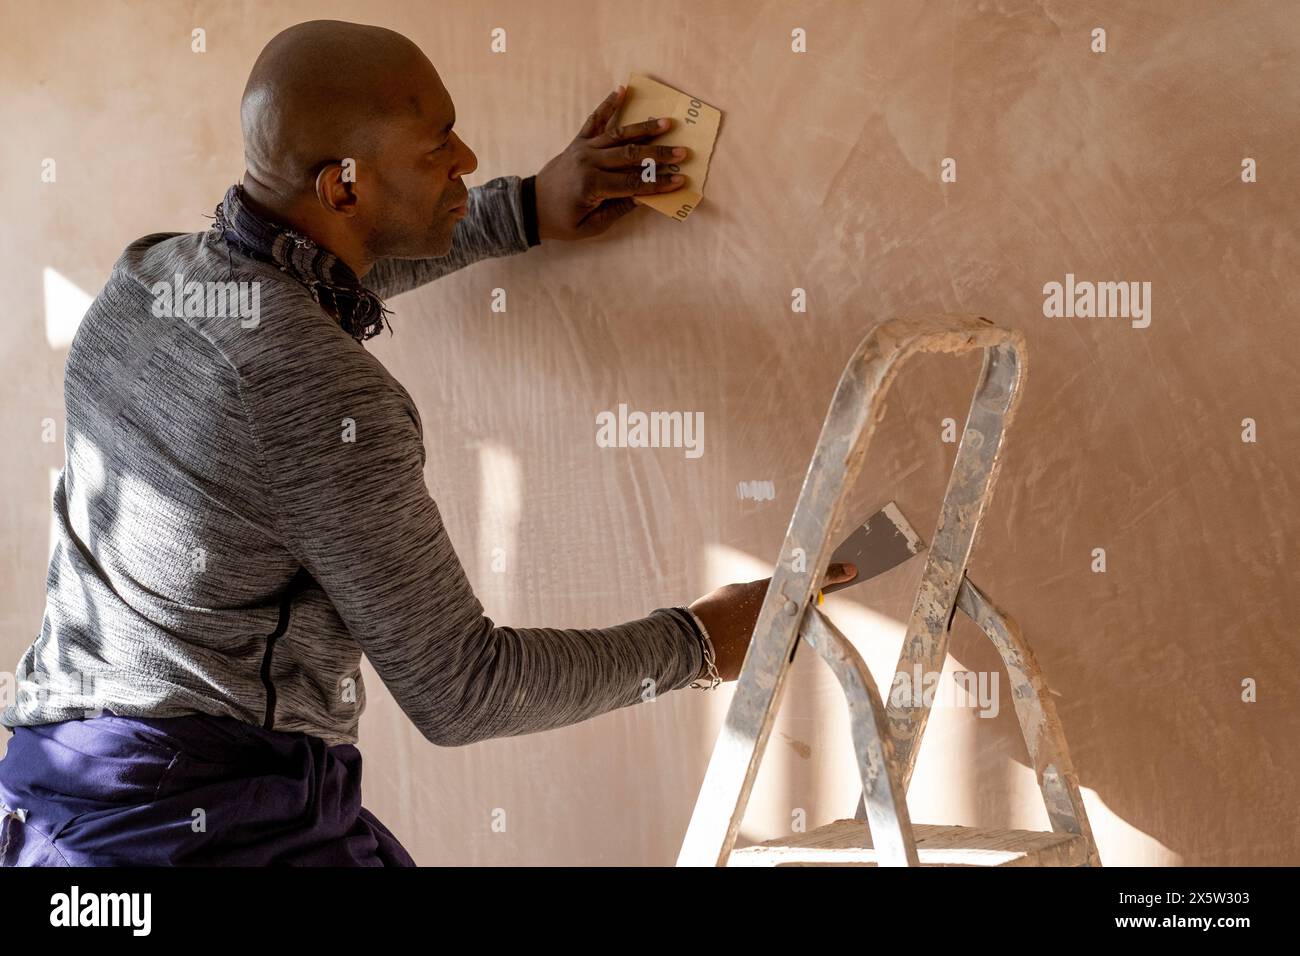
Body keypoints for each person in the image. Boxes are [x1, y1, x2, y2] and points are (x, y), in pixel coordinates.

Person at [0, 19, 855, 866]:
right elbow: (462, 690)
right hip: (211, 819)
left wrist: (523, 209)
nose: (468, 159)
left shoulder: (147, 278)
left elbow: (316, 279)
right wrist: (700, 643)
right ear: (342, 185)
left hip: (60, 787)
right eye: (438, 145)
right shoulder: (324, 396)